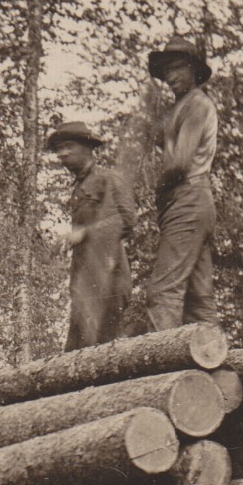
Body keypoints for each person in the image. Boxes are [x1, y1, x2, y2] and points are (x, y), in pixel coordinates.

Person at [145, 38, 220, 330]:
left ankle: (161, 372)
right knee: (200, 300)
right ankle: (218, 373)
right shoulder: (180, 107)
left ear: (194, 69)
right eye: (166, 71)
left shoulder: (198, 104)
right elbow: (158, 134)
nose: (171, 76)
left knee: (163, 291)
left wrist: (157, 187)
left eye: (178, 68)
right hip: (189, 203)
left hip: (187, 198)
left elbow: (179, 162)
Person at [46, 120, 137, 349]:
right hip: (86, 283)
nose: (61, 154)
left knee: (102, 354)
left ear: (87, 148)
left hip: (109, 281)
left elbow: (127, 219)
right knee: (75, 355)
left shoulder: (108, 179)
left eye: (67, 146)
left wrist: (85, 233)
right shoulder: (77, 189)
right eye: (58, 149)